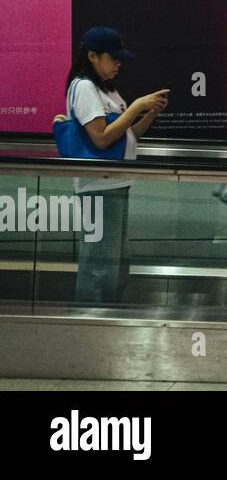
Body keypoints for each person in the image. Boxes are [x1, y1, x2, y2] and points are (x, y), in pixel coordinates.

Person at [64, 26, 169, 303]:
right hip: (98, 184)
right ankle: (90, 317)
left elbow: (127, 136)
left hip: (116, 182)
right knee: (99, 261)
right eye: (113, 57)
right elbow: (100, 139)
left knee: (115, 261)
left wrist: (148, 114)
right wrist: (135, 107)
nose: (118, 64)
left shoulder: (107, 90)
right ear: (92, 56)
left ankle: (108, 312)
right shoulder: (84, 87)